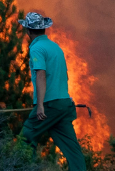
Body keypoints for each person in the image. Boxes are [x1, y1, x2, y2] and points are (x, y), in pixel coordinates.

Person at [19, 10, 87, 170]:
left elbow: (41, 75)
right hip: (63, 104)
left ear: (28, 31)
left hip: (49, 104)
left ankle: (21, 167)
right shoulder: (55, 47)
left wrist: (40, 105)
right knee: (72, 148)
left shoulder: (36, 49)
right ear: (43, 29)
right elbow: (63, 75)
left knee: (26, 136)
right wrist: (65, 98)